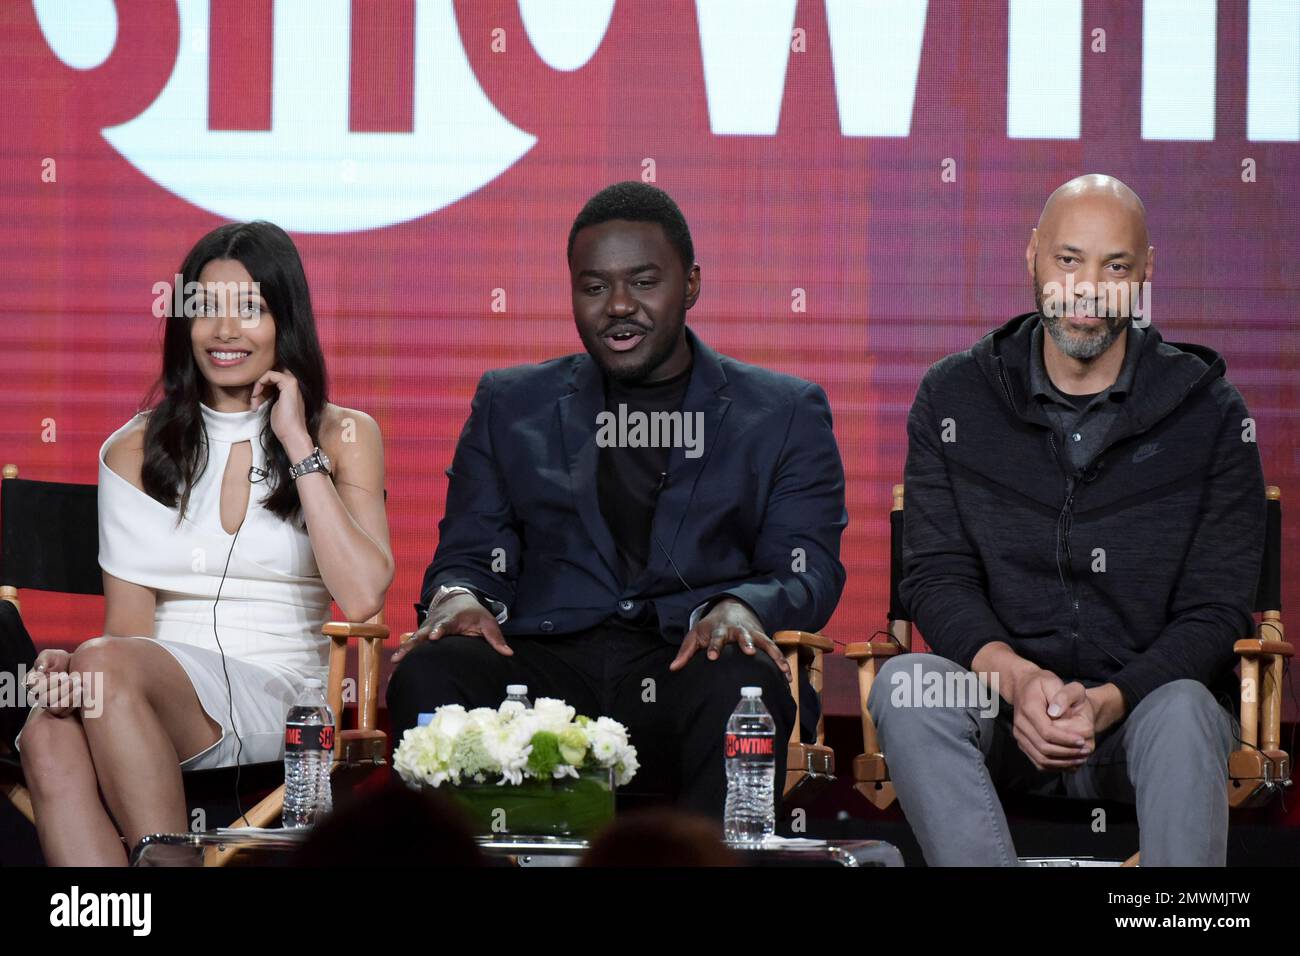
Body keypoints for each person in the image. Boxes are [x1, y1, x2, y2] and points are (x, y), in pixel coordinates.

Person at [387, 181, 846, 817]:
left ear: (690, 285)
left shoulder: (783, 411)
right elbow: (468, 550)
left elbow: (809, 567)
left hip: (689, 655)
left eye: (644, 282)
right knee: (432, 669)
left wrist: (742, 606)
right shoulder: (510, 402)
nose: (618, 306)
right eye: (595, 287)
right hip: (542, 665)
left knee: (744, 681)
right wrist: (460, 596)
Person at [870, 174, 1266, 866]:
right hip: (998, 707)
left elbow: (1217, 607)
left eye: (1115, 266)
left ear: (1145, 272)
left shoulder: (1211, 413)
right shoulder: (954, 395)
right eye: (1067, 259)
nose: (1087, 287)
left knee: (1184, 710)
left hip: (1144, 713)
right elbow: (936, 577)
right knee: (907, 687)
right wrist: (1020, 683)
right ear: (1032, 257)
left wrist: (1113, 699)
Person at [16, 221, 393, 866]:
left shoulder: (343, 434)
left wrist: (299, 444)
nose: (225, 332)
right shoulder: (133, 448)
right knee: (46, 733)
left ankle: (164, 873)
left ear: (286, 321)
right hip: (155, 694)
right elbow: (127, 631)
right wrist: (78, 672)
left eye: (250, 310)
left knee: (102, 668)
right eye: (206, 311)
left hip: (289, 696)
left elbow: (361, 597)